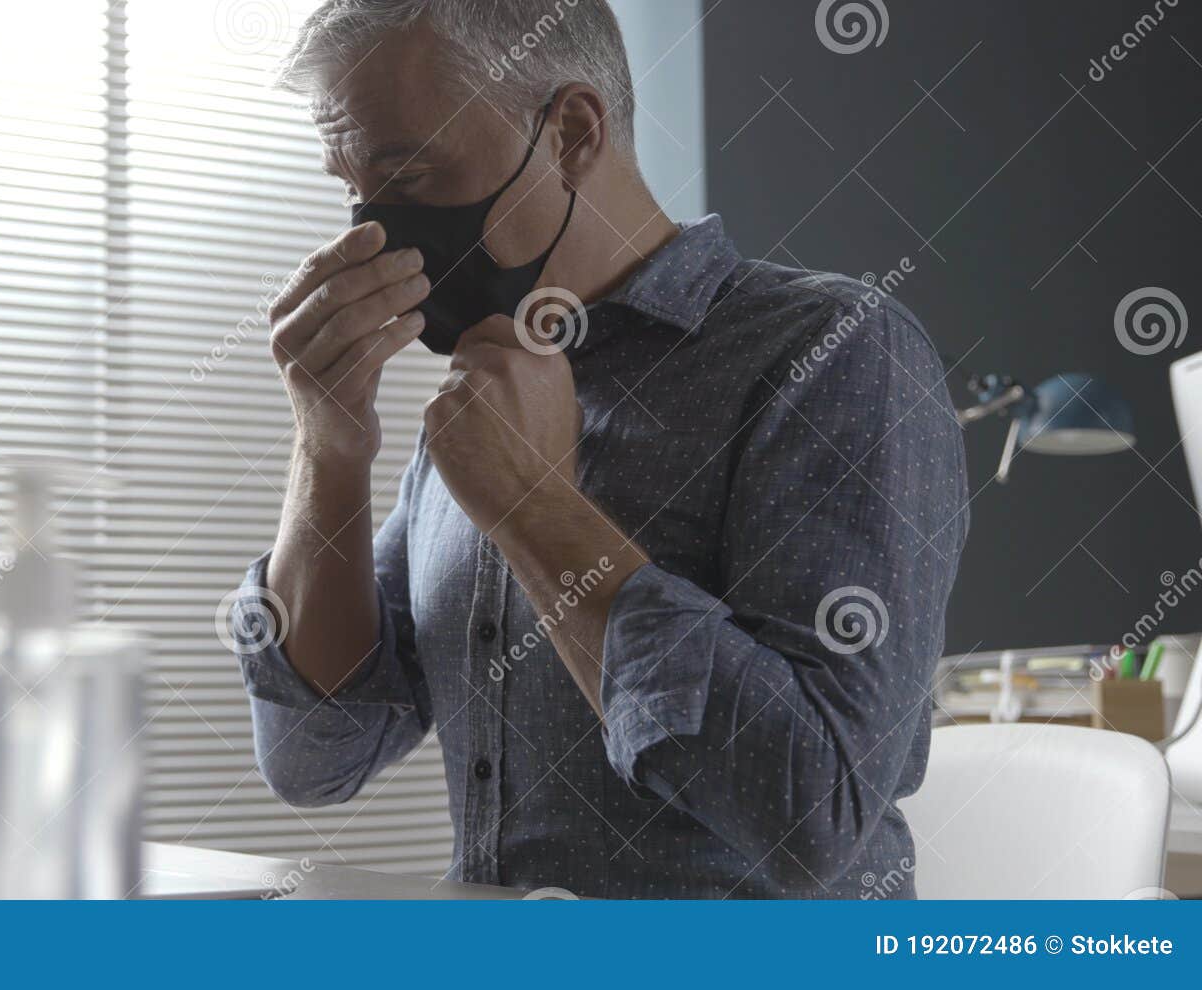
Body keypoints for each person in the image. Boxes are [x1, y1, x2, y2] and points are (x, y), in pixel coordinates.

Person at [228, 0, 967, 898]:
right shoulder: (480, 404)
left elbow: (815, 818)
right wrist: (329, 446)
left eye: (410, 177)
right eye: (352, 190)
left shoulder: (833, 352)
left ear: (573, 132)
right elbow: (315, 758)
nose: (371, 232)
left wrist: (536, 509)